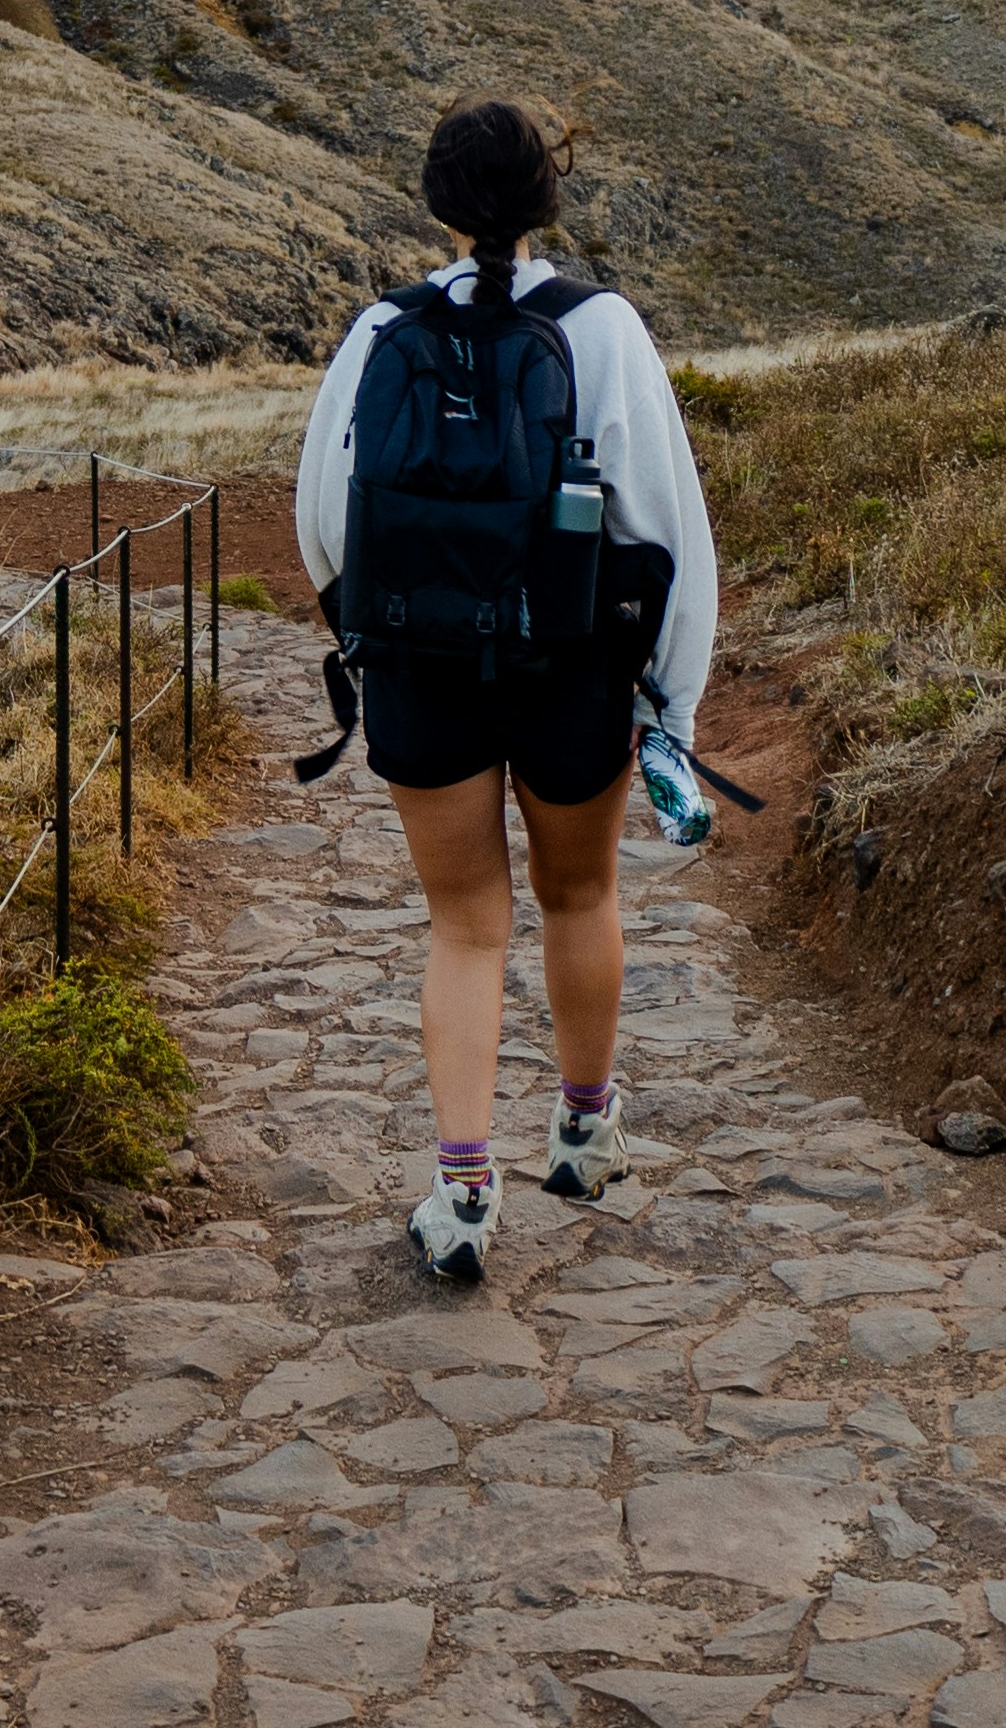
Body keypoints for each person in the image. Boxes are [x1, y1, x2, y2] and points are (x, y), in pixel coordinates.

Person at [293, 96, 717, 1280]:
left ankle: (464, 1192)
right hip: (572, 669)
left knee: (463, 924)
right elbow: (668, 530)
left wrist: (372, 633)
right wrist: (672, 706)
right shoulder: (604, 330)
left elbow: (322, 519)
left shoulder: (381, 329)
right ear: (547, 199)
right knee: (579, 897)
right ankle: (584, 1133)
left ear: (438, 202)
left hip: (420, 669)